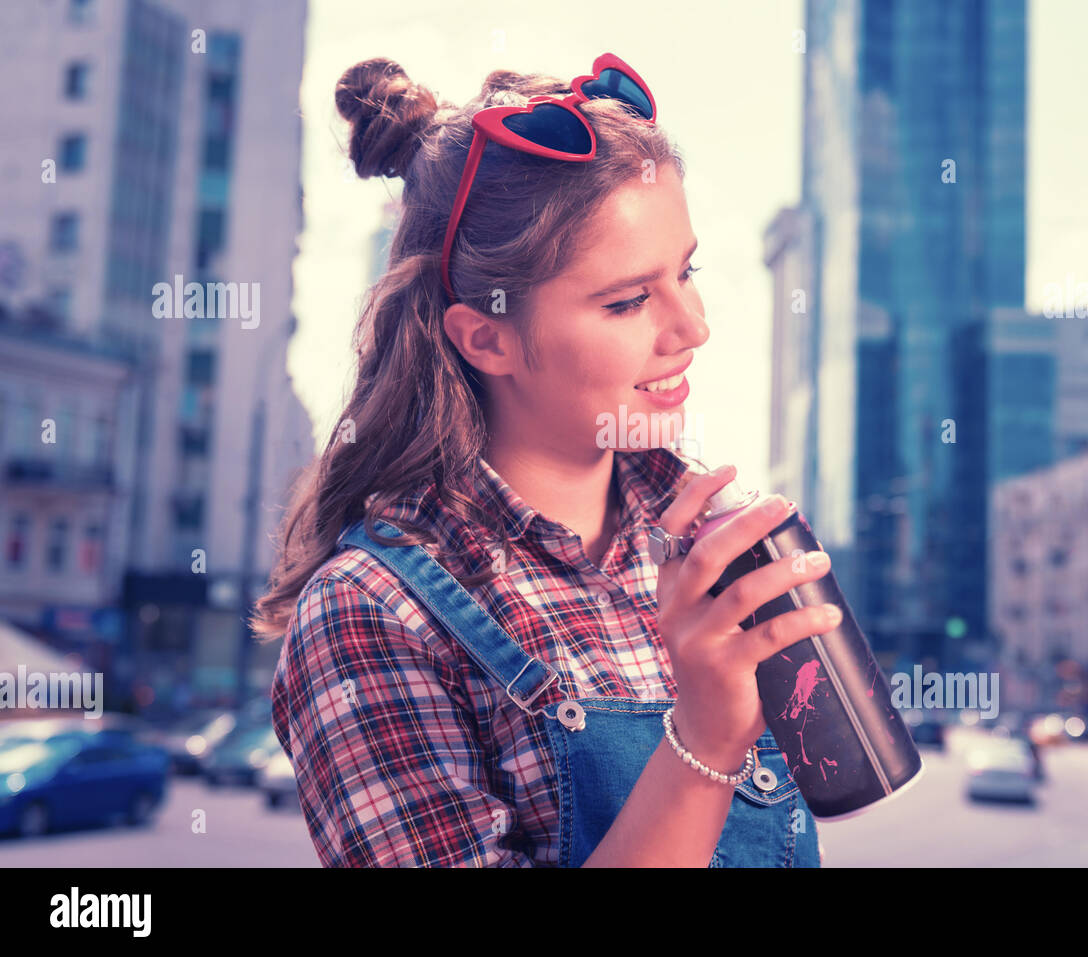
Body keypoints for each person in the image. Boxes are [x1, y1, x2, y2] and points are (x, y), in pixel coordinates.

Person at [252, 53, 840, 867]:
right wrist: (704, 738)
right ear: (487, 336)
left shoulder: (709, 551)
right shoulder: (371, 613)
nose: (692, 326)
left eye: (686, 271)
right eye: (628, 300)